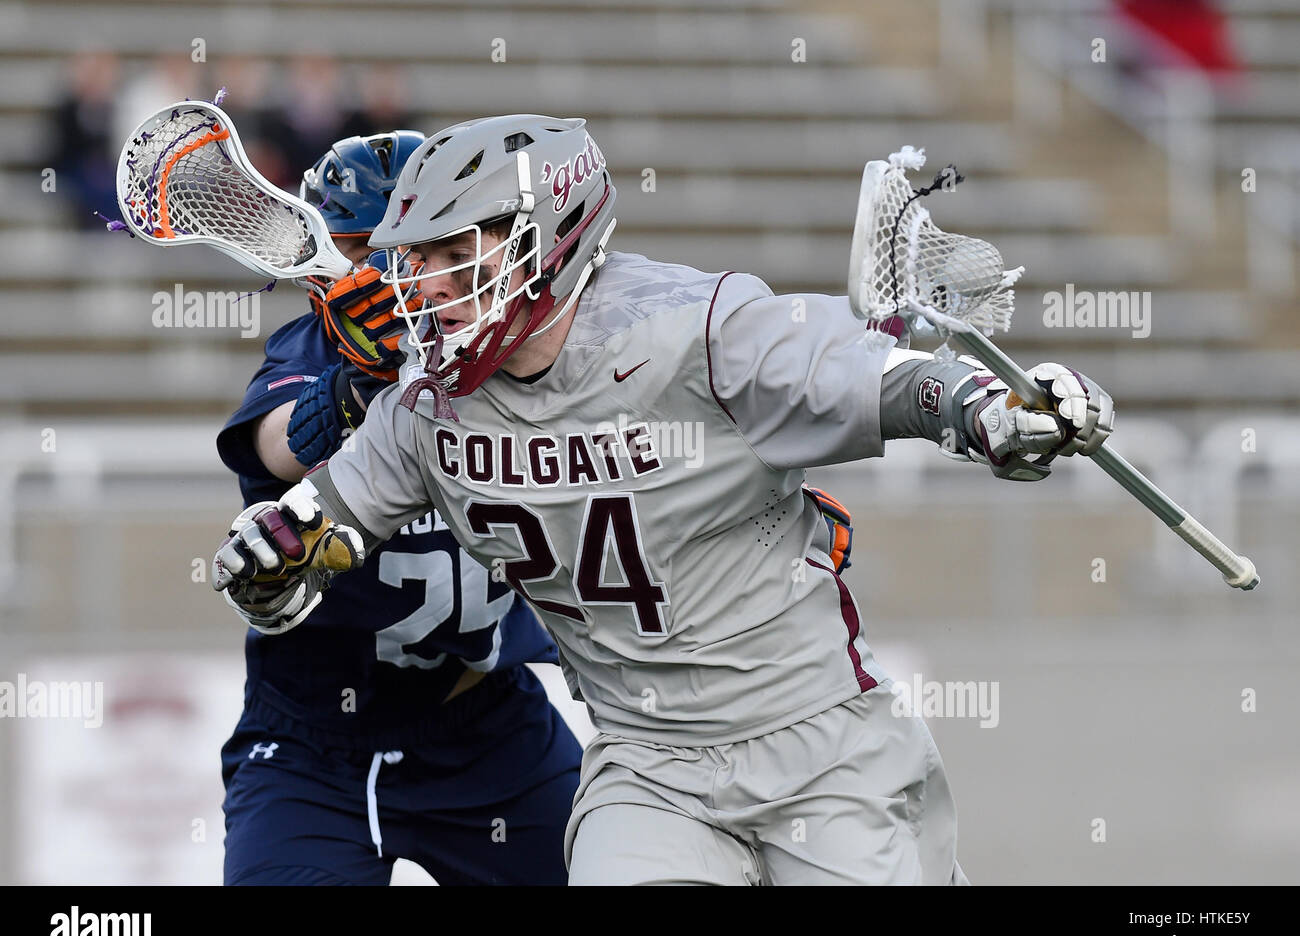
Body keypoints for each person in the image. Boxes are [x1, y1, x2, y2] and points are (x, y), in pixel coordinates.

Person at [213, 115, 1114, 885]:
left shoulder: (695, 328)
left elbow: (877, 380)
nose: (428, 289)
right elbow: (324, 514)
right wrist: (274, 558)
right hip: (645, 765)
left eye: (456, 257)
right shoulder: (421, 403)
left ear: (547, 240)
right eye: (419, 260)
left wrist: (986, 407)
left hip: (820, 742)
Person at [216, 129, 582, 885]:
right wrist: (353, 391)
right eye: (359, 250)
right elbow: (278, 444)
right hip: (313, 744)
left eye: (416, 247)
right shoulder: (306, 356)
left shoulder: (520, 347)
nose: (390, 273)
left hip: (488, 730)